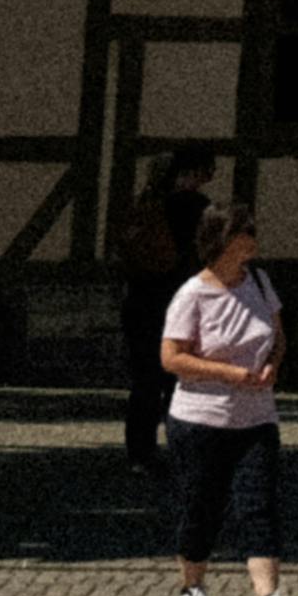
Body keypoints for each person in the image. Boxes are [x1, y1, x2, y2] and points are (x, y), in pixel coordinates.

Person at [154, 208, 297, 596]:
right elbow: (171, 357)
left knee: (259, 504)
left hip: (256, 418)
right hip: (200, 420)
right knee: (203, 505)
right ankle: (192, 587)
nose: (251, 240)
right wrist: (229, 373)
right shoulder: (192, 294)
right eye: (242, 233)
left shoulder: (259, 281)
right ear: (220, 240)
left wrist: (273, 362)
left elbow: (278, 335)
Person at [112, 146, 216, 469]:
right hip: (178, 301)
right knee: (180, 380)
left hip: (140, 300)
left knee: (145, 380)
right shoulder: (196, 207)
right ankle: (184, 448)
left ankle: (139, 453)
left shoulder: (145, 206)